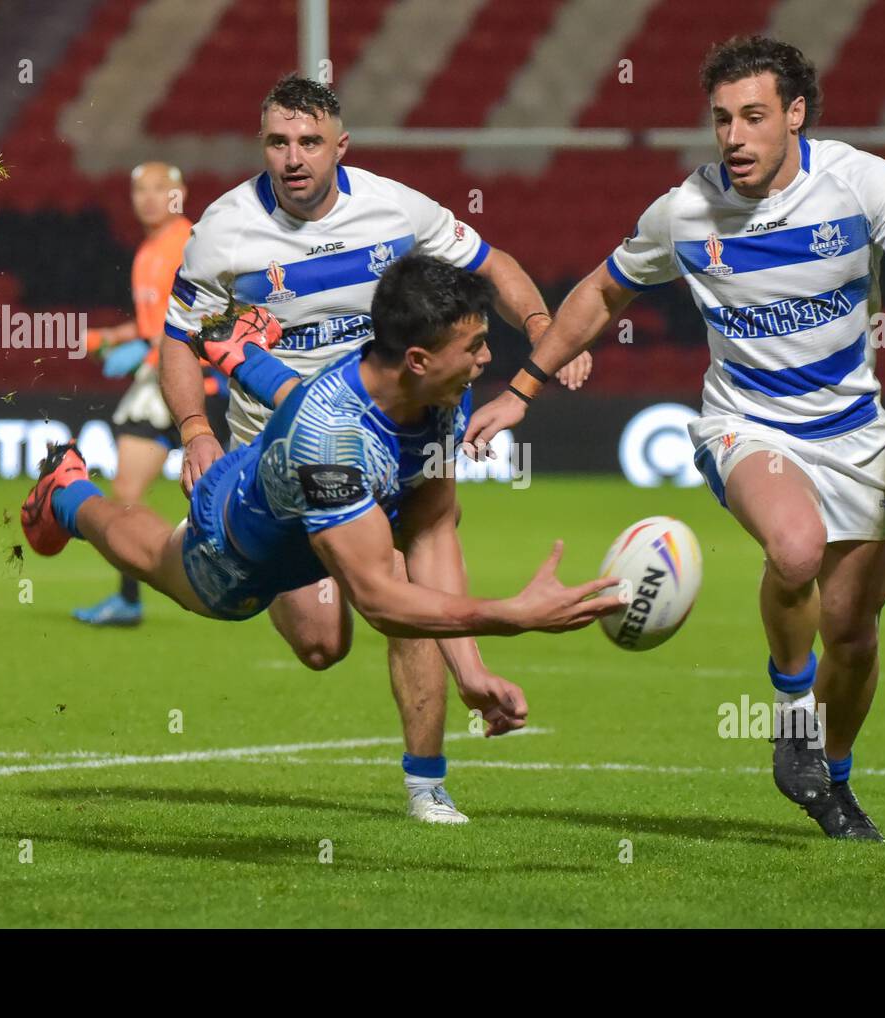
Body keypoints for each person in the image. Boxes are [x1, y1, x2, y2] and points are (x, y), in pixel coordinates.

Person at [465, 36, 885, 841]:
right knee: (796, 549)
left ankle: (830, 776)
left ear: (795, 116)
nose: (734, 137)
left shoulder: (856, 182)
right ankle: (787, 706)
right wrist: (522, 388)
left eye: (753, 117)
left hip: (853, 436)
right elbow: (603, 293)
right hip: (743, 423)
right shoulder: (686, 212)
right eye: (721, 120)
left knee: (854, 630)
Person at [158, 74, 591, 823]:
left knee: (412, 559)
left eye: (309, 142)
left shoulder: (395, 208)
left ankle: (427, 782)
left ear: (340, 147)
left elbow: (491, 262)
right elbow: (177, 339)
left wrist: (543, 324)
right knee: (323, 643)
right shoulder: (224, 232)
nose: (293, 158)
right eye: (277, 142)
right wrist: (196, 431)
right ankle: (148, 523)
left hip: (398, 422)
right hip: (283, 450)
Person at [22, 256, 620, 755]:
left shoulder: (442, 392)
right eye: (476, 346)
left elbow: (431, 532)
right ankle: (71, 493)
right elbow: (382, 602)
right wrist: (513, 615)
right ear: (417, 358)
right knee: (161, 558)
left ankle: (240, 351)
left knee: (334, 625)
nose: (488, 360)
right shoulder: (329, 443)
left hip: (333, 477)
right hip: (240, 547)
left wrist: (470, 671)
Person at [75, 161, 225, 626]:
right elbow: (152, 325)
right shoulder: (148, 251)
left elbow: (191, 324)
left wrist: (142, 353)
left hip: (197, 384)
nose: (148, 198)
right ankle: (128, 598)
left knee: (226, 494)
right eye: (140, 189)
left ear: (179, 193)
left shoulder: (185, 243)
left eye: (160, 189)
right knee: (125, 493)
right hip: (157, 379)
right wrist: (108, 338)